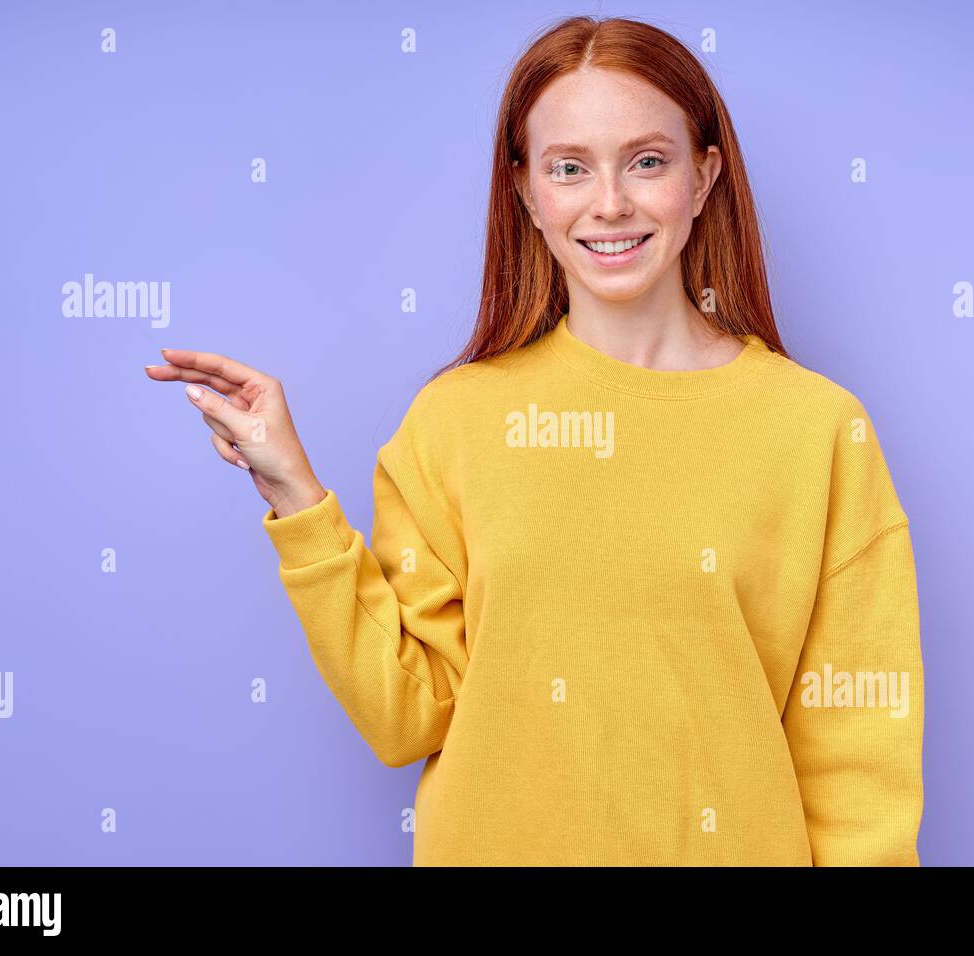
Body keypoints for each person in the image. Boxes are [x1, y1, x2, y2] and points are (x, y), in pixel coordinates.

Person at [144, 15, 924, 866]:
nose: (611, 202)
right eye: (569, 168)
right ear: (525, 190)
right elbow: (409, 715)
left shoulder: (816, 430)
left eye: (648, 161)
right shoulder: (454, 423)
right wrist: (295, 493)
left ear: (704, 177)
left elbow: (859, 768)